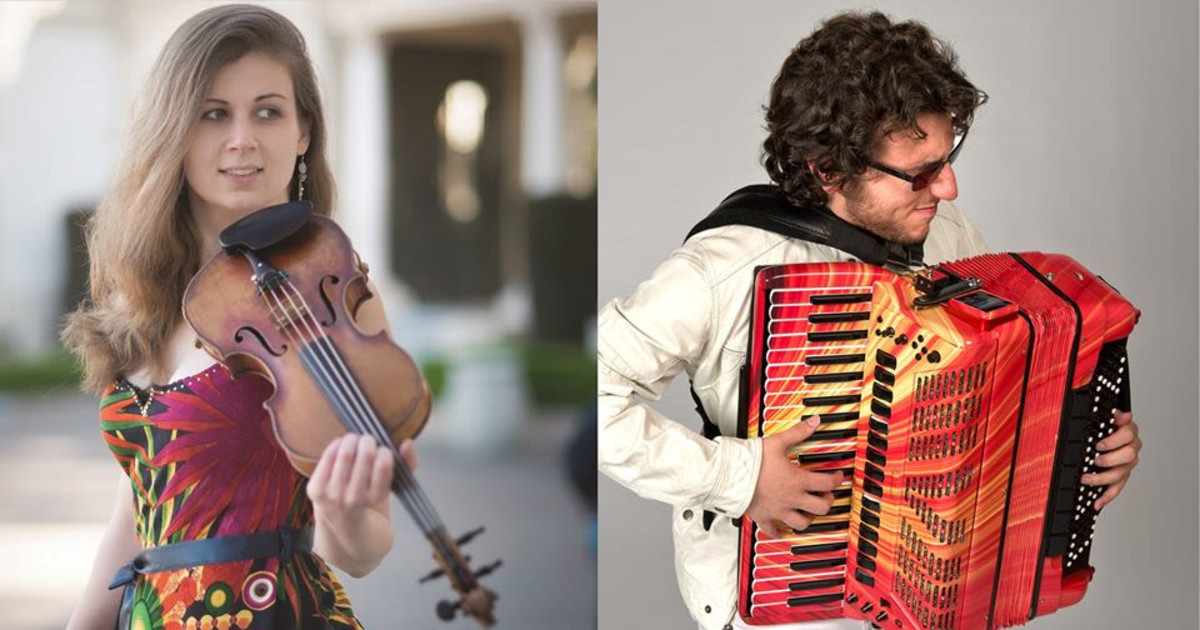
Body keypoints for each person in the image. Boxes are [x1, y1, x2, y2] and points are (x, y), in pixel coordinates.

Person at [597, 11, 1142, 630]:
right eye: (920, 173)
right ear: (828, 168)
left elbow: (997, 385)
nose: (950, 188)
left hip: (937, 588)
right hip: (789, 594)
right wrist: (738, 477)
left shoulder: (946, 232)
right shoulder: (721, 272)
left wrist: (1079, 446)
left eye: (948, 157)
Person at [61, 5, 417, 629]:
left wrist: (340, 511)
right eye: (213, 113)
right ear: (175, 130)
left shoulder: (330, 300)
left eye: (268, 111)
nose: (242, 139)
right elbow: (136, 520)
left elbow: (362, 549)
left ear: (303, 132)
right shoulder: (149, 296)